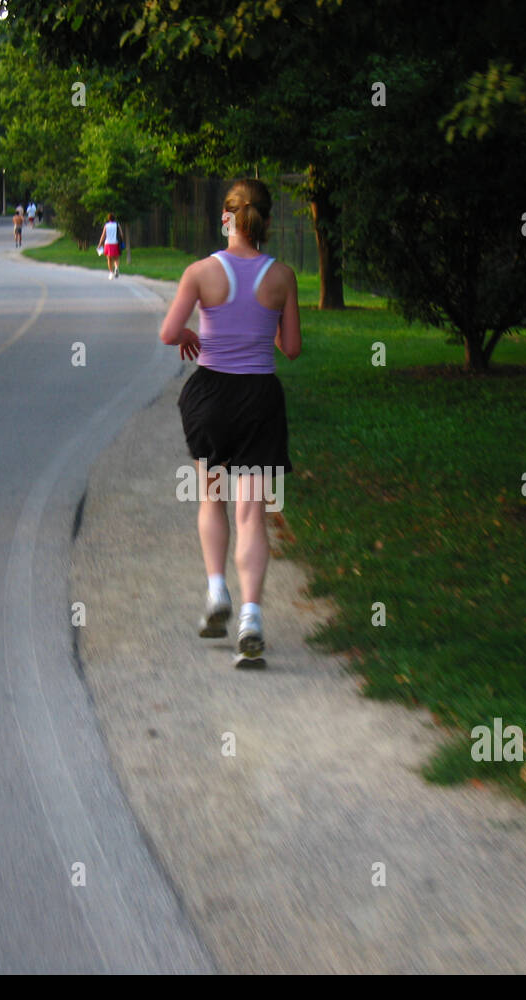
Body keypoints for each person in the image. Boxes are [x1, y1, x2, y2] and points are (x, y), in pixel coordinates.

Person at [158, 179, 302, 669]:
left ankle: (217, 591)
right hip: (259, 399)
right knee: (252, 514)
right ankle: (251, 620)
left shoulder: (200, 272)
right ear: (264, 219)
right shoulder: (282, 275)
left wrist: (193, 332)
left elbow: (167, 332)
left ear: (227, 218)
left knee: (211, 497)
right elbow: (292, 348)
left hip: (211, 397)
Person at [97, 213, 122, 279]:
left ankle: (111, 273)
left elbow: (103, 235)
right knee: (116, 258)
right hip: (115, 243)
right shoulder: (117, 225)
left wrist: (100, 244)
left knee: (109, 259)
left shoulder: (106, 225)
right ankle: (116, 268)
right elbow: (121, 234)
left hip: (108, 243)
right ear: (114, 218)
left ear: (108, 218)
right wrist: (121, 240)